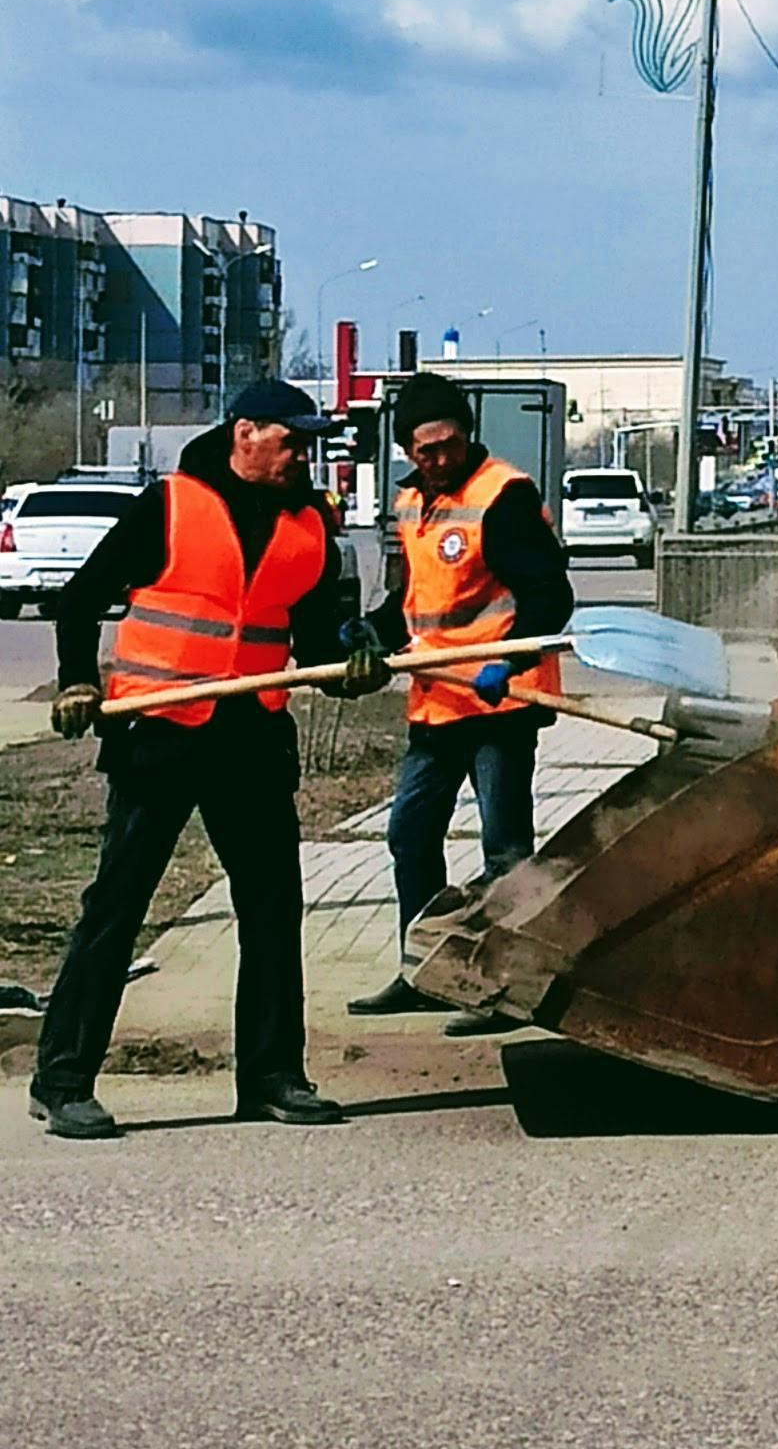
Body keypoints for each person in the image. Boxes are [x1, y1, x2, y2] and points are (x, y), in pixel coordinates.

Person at [29, 381, 384, 1137]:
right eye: (290, 440)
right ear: (245, 432)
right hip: (159, 733)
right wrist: (79, 680)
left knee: (271, 909)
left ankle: (272, 1077)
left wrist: (359, 664)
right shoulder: (172, 503)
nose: (302, 455)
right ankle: (62, 1081)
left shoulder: (311, 523)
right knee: (117, 908)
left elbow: (319, 647)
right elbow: (81, 596)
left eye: (307, 442)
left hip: (251, 738)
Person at [350, 375, 575, 1028]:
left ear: (466, 435)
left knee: (505, 851)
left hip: (498, 703)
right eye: (426, 451)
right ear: (408, 452)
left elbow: (548, 598)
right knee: (409, 833)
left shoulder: (502, 496)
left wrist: (510, 660)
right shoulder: (412, 503)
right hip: (438, 701)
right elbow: (418, 603)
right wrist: (374, 631)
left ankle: (506, 989)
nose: (439, 459)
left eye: (449, 445)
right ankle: (424, 971)